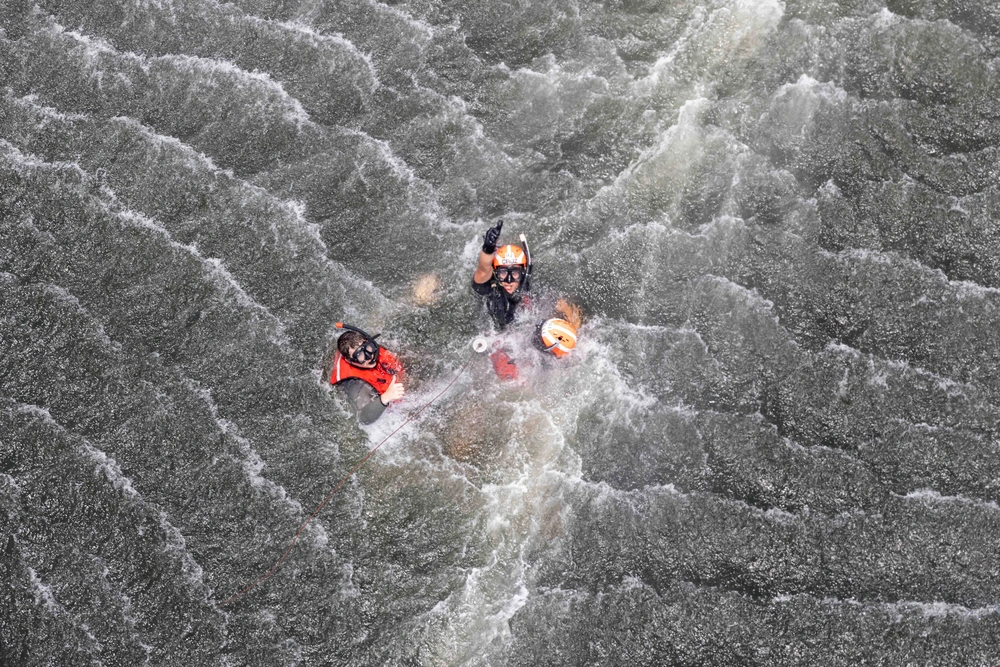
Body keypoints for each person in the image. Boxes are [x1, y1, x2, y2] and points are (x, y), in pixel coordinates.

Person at [330, 323, 405, 424]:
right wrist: (386, 397)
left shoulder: (374, 350)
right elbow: (363, 419)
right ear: (350, 361)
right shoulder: (355, 384)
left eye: (368, 348)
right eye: (360, 356)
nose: (370, 357)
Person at [472, 220, 531, 329]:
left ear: (522, 272)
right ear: (495, 272)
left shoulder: (526, 282)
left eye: (515, 273)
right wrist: (488, 249)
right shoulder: (488, 289)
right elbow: (483, 269)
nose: (509, 281)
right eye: (503, 273)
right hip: (492, 332)